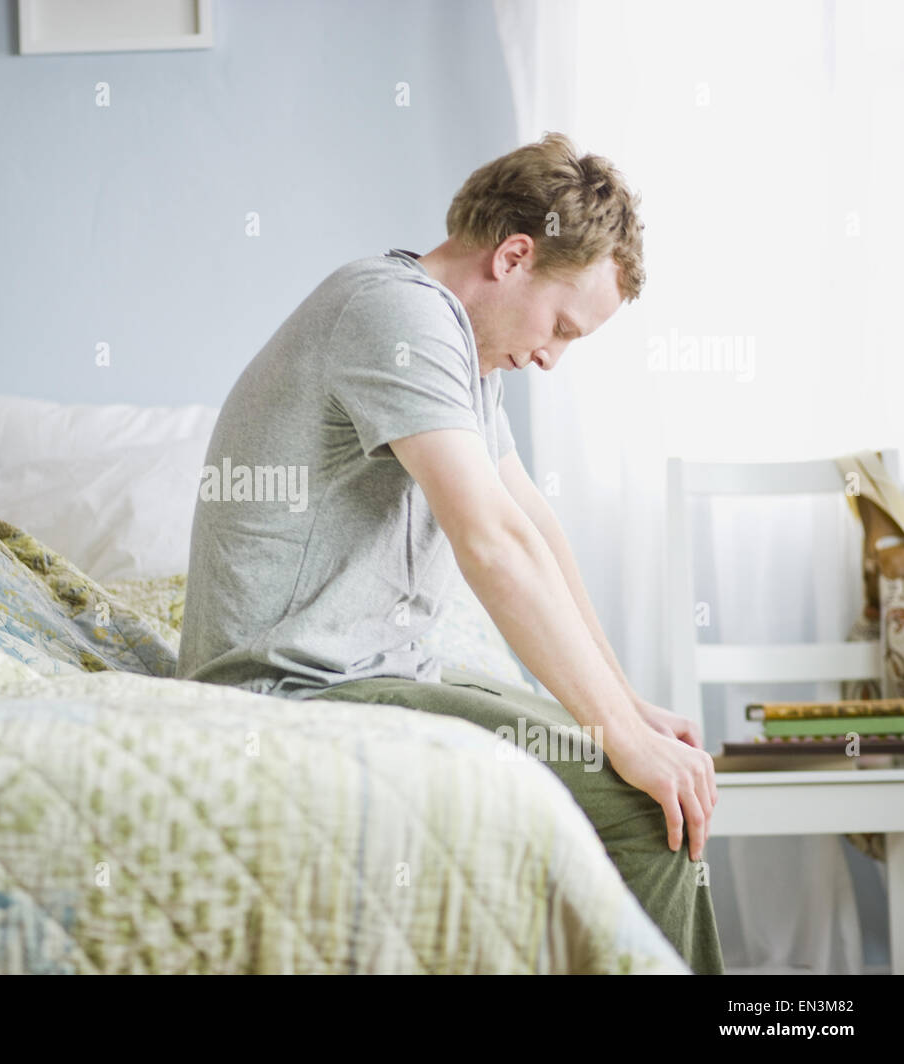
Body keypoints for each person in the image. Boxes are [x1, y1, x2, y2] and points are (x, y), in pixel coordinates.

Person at [176, 132, 725, 973]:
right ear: (514, 255)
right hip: (286, 686)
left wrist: (626, 705)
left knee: (650, 763)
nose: (550, 356)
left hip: (375, 668)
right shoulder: (394, 315)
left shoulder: (462, 347)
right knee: (643, 802)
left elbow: (531, 524)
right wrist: (620, 740)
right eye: (562, 327)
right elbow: (490, 544)